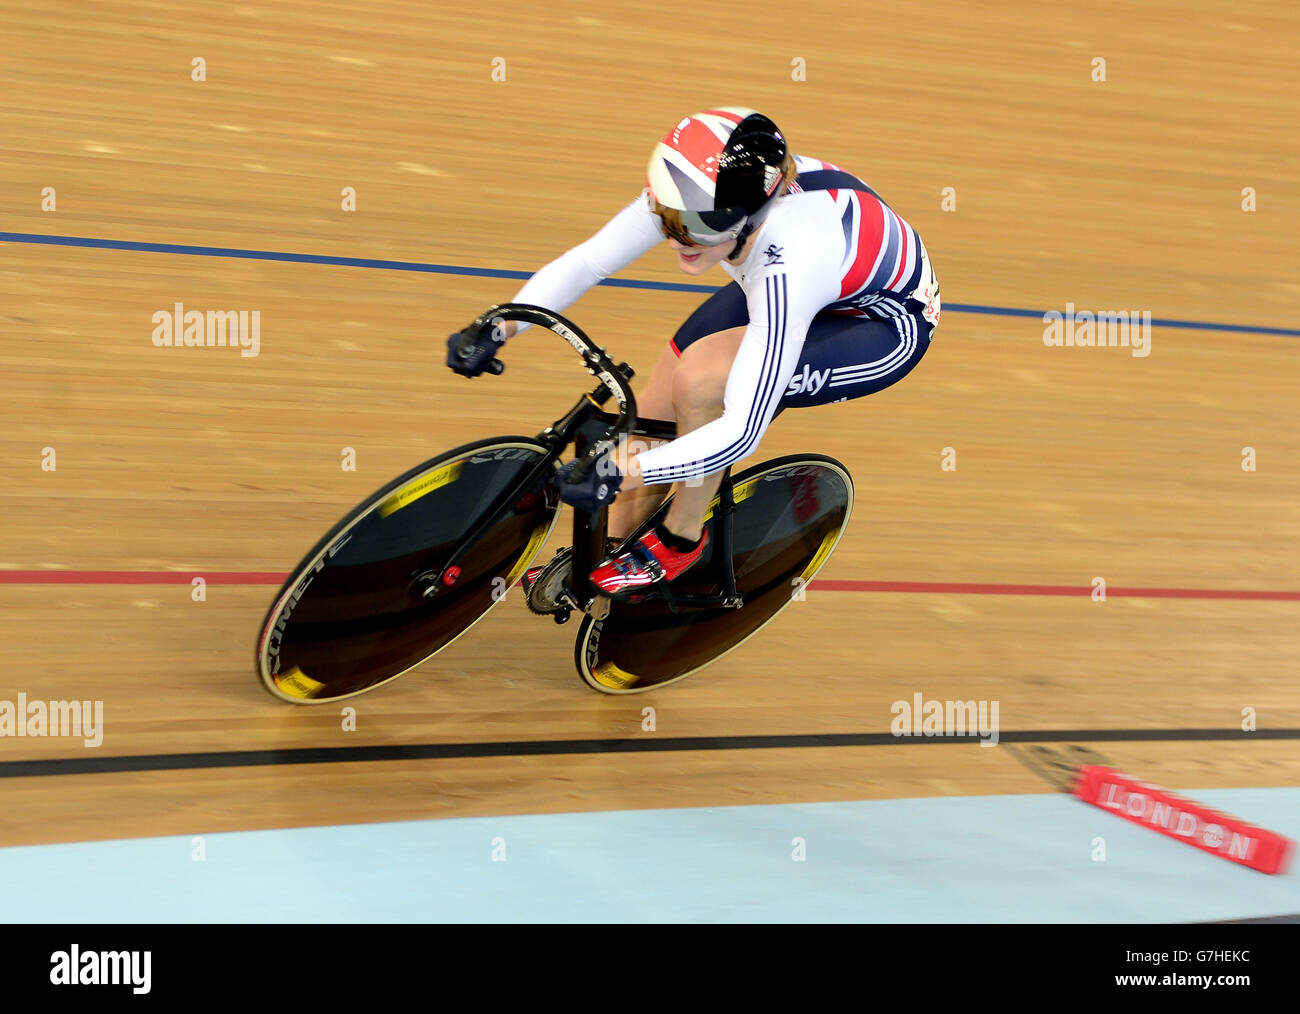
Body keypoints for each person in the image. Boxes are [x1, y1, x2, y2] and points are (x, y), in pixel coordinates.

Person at [448, 106, 940, 597]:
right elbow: (588, 261)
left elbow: (741, 431)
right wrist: (500, 323)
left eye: (699, 227)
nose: (679, 237)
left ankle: (679, 538)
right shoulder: (695, 189)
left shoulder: (790, 257)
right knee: (652, 418)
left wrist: (619, 471)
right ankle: (610, 553)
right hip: (812, 278)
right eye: (668, 219)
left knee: (702, 384)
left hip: (878, 324)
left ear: (747, 216)